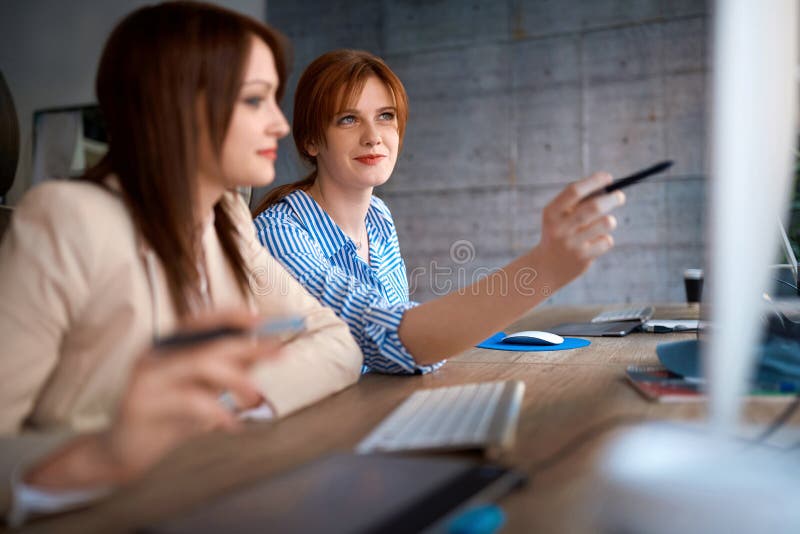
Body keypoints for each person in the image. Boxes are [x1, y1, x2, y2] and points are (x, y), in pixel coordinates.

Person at [0, 3, 362, 525]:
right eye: (256, 100)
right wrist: (106, 452)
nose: (280, 124)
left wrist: (227, 404)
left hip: (212, 491)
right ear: (178, 105)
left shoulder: (229, 220)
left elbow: (338, 342)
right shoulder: (64, 219)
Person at [253, 49, 625, 374]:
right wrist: (544, 268)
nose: (373, 136)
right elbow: (387, 341)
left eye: (385, 116)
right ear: (311, 140)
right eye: (348, 119)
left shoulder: (378, 218)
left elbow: (398, 342)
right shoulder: (280, 233)